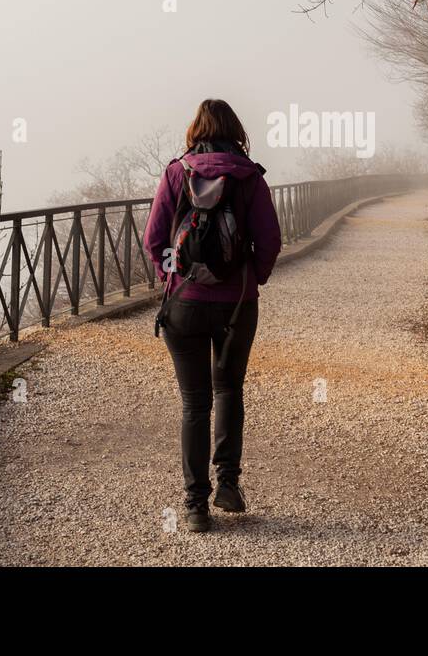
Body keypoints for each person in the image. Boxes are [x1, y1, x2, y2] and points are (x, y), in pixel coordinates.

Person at [143, 99, 282, 532]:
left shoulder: (176, 173)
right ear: (236, 132)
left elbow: (153, 240)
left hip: (184, 305)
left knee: (194, 402)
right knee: (228, 391)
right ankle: (228, 484)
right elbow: (271, 240)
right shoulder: (250, 177)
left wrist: (173, 279)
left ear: (196, 131)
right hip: (237, 303)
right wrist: (251, 277)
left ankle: (195, 507)